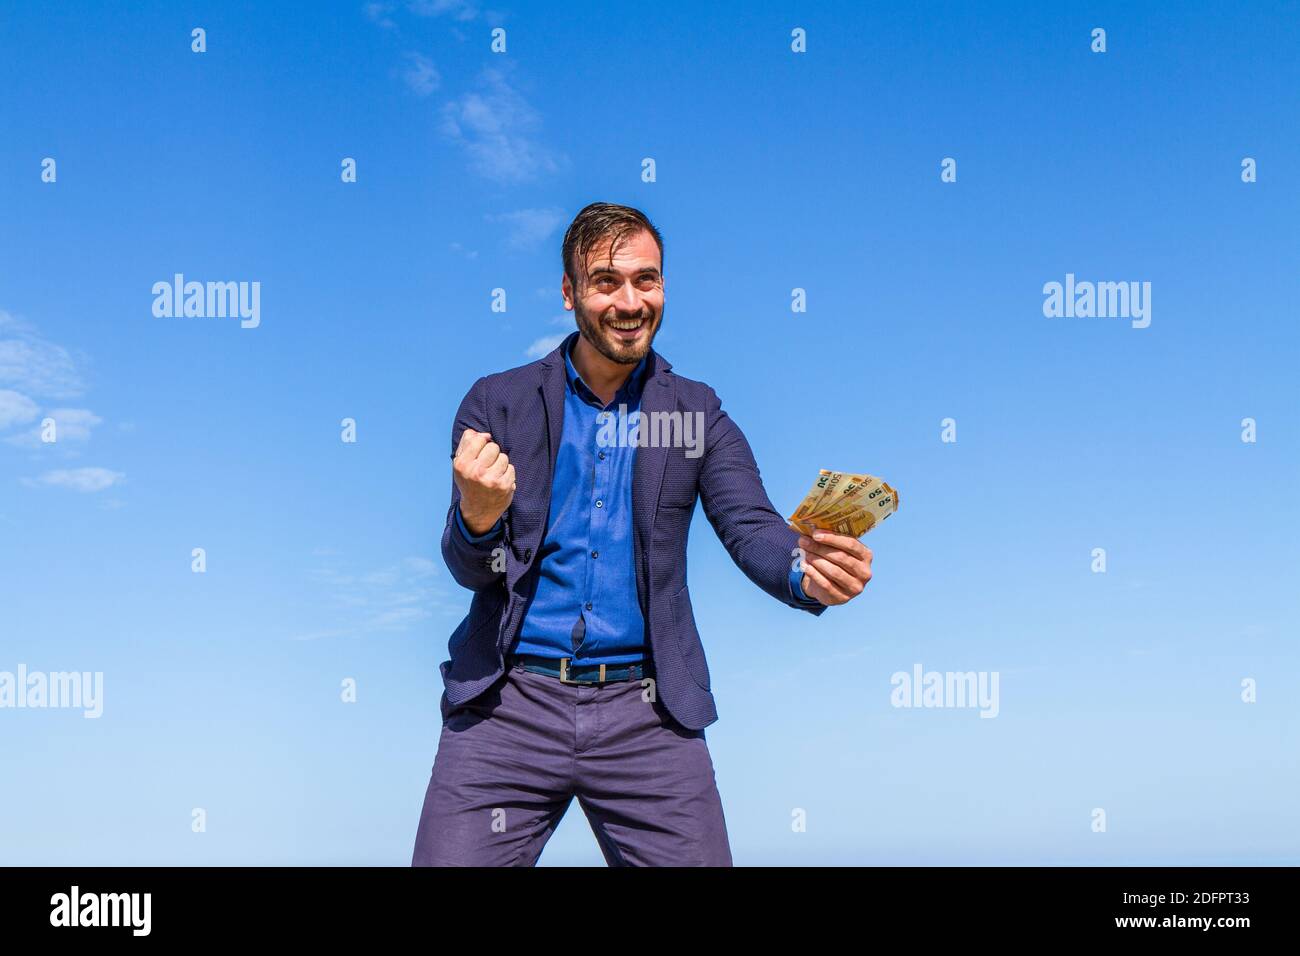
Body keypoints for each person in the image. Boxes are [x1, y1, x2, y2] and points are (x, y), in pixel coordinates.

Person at [411, 202, 874, 866]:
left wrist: (806, 571)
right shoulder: (497, 403)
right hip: (506, 710)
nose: (630, 301)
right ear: (570, 292)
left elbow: (752, 527)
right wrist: (478, 519)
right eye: (606, 281)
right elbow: (469, 566)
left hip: (649, 717)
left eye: (646, 280)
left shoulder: (695, 413)